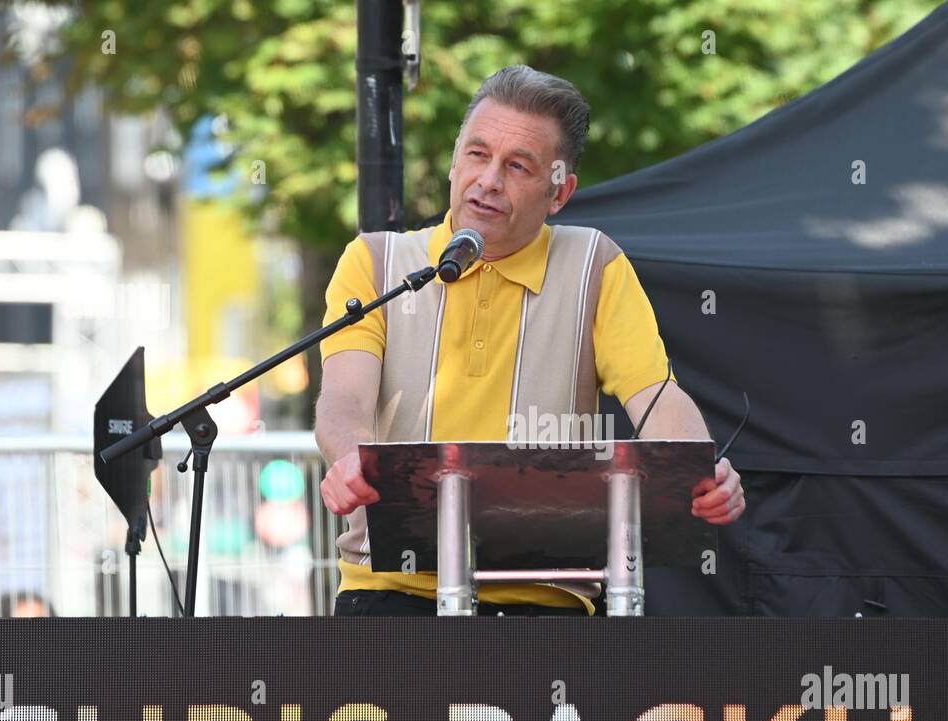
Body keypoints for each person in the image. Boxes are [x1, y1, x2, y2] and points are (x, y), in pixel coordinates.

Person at [315, 65, 745, 616]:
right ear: (453, 161)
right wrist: (351, 458)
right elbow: (344, 399)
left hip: (547, 603)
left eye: (517, 166)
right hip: (390, 594)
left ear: (559, 192)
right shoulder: (374, 262)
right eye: (477, 154)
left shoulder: (596, 264)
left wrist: (695, 467)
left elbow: (655, 396)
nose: (488, 180)